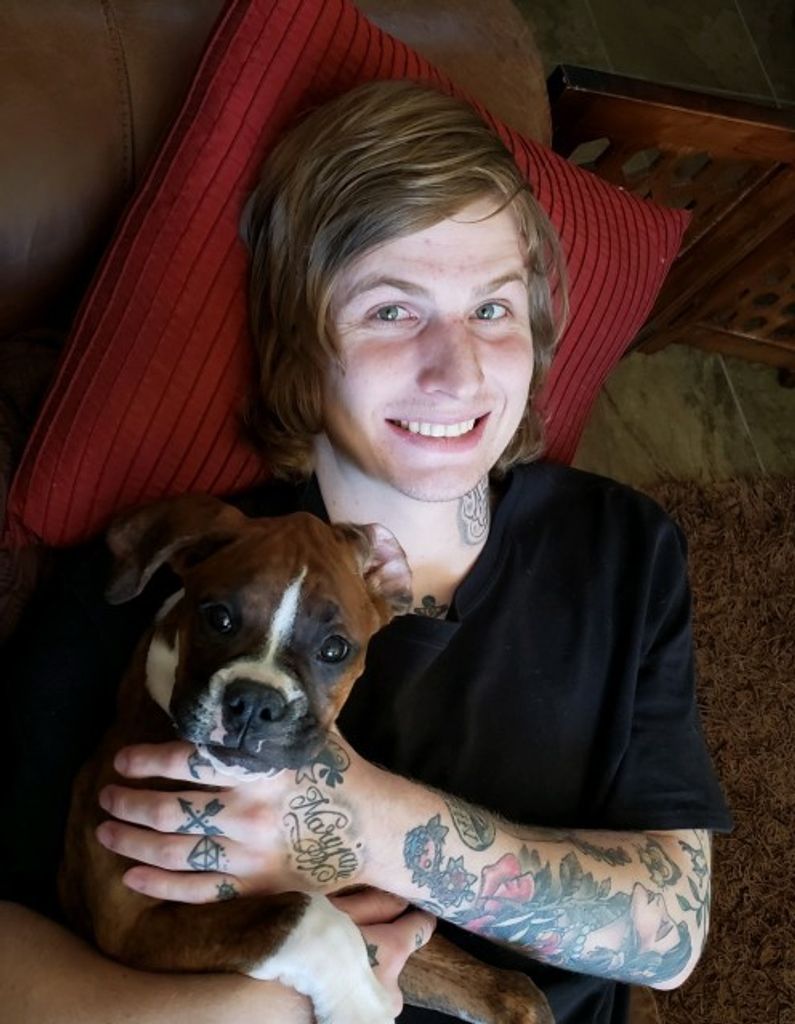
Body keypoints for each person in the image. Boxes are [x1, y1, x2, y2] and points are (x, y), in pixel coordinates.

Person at [2, 80, 731, 1023]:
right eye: (392, 311)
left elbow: (667, 939)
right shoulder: (169, 575)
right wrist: (293, 996)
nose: (457, 371)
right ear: (301, 344)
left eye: (493, 309)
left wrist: (362, 826)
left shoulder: (621, 548)